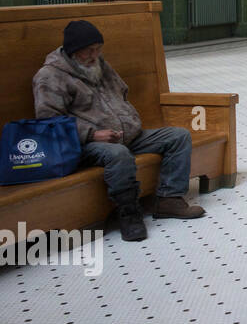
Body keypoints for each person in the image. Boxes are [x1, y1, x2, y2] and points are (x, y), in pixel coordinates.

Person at [32, 20, 204, 242]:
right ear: (73, 51)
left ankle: (169, 199)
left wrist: (127, 122)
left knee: (178, 136)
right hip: (85, 144)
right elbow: (49, 122)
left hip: (126, 135)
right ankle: (129, 214)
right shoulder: (49, 76)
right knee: (118, 155)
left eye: (98, 49)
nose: (96, 55)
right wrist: (93, 134)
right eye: (89, 51)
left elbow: (121, 93)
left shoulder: (99, 65)